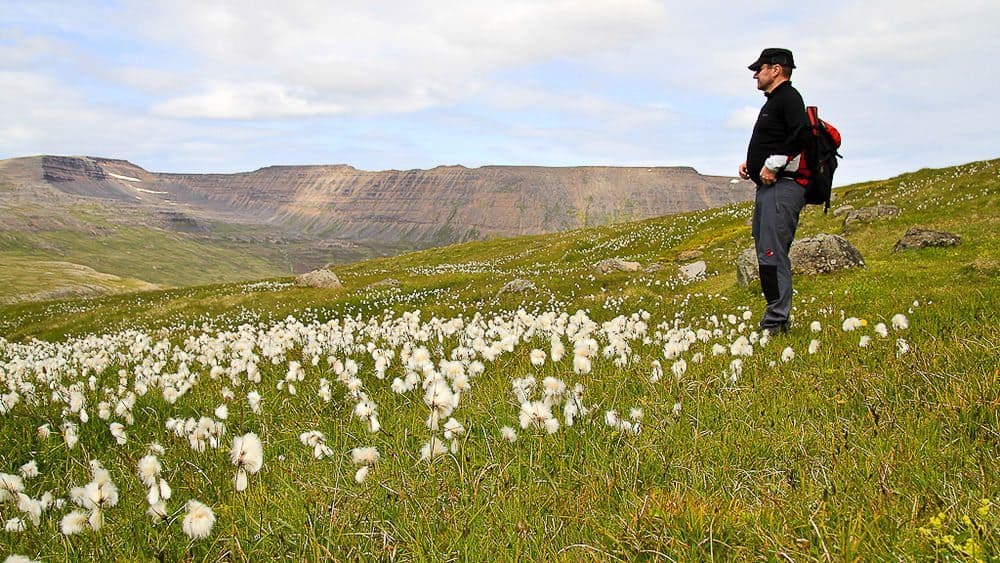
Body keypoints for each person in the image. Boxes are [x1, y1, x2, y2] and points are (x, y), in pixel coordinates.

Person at [738, 48, 810, 334]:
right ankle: (775, 317)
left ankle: (777, 322)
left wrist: (772, 165)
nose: (756, 74)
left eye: (760, 68)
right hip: (769, 187)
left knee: (772, 252)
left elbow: (801, 134)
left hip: (781, 188)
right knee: (766, 250)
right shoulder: (776, 101)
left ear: (776, 69)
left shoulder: (789, 98)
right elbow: (782, 137)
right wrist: (753, 165)